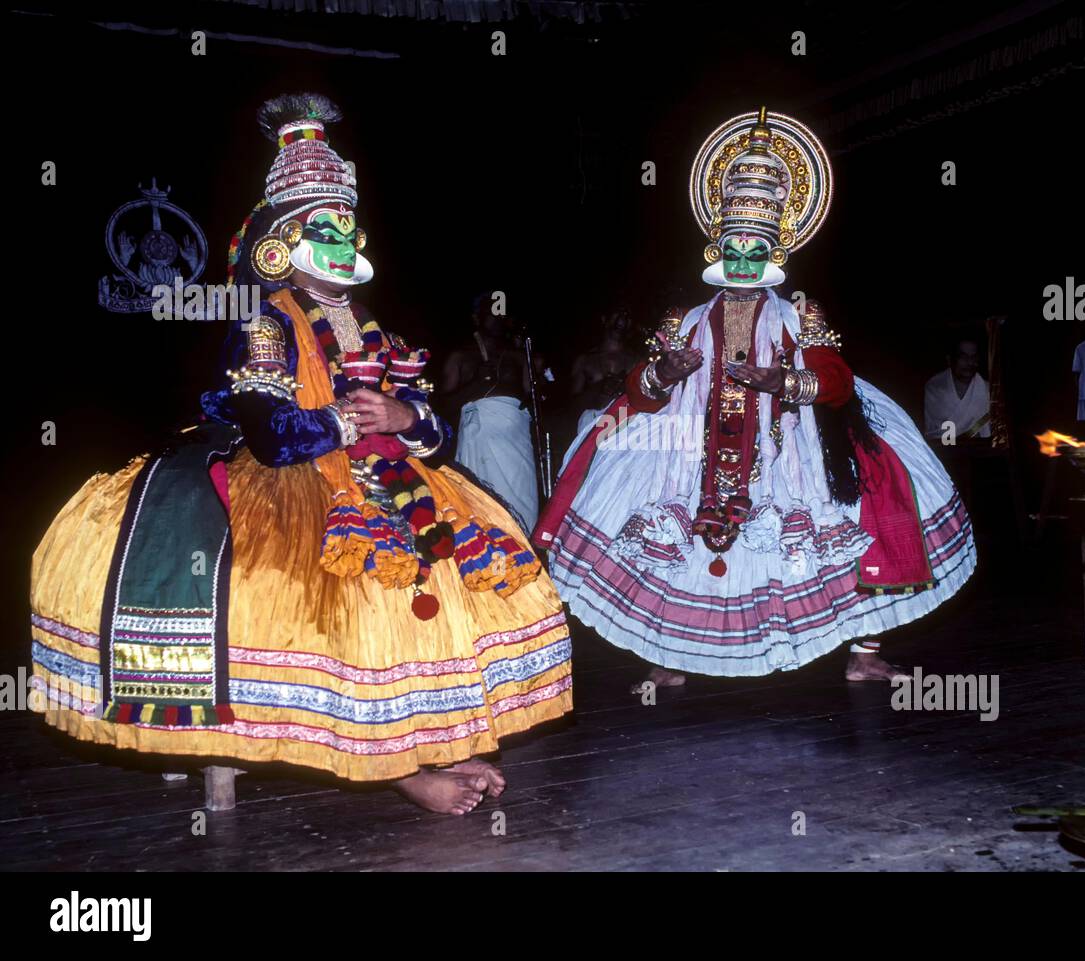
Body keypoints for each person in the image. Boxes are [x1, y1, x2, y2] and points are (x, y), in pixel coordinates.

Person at [29, 93, 573, 815]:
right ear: (282, 242)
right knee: (358, 598)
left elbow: (433, 437)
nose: (345, 238)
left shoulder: (368, 322)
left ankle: (440, 733)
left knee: (459, 569)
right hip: (295, 479)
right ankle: (401, 769)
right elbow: (270, 433)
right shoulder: (265, 321)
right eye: (326, 226)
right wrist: (349, 422)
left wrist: (403, 412)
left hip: (389, 475)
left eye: (350, 224)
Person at [535, 108, 976, 687]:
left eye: (755, 251)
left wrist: (784, 383)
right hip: (690, 444)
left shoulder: (800, 314)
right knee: (673, 539)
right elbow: (638, 389)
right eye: (734, 249)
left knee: (839, 530)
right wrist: (663, 373)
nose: (743, 261)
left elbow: (836, 379)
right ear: (716, 251)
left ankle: (864, 652)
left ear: (774, 253)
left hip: (788, 446)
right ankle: (670, 656)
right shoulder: (685, 319)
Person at [439, 298, 542, 533]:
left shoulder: (519, 356)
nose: (498, 319)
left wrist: (540, 375)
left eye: (502, 314)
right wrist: (476, 383)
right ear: (477, 318)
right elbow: (442, 405)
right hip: (480, 438)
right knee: (482, 502)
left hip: (515, 442)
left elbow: (535, 402)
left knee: (521, 503)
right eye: (492, 314)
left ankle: (523, 552)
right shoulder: (461, 356)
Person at [571, 308, 639, 437]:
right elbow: (573, 406)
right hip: (591, 428)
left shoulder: (637, 361)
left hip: (625, 429)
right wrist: (599, 390)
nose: (623, 318)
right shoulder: (585, 360)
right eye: (618, 313)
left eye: (628, 315)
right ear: (604, 319)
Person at [923, 334, 991, 441]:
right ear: (950, 359)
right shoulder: (935, 389)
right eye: (963, 357)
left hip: (981, 452)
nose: (969, 362)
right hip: (944, 452)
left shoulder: (988, 391)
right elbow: (936, 433)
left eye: (973, 357)